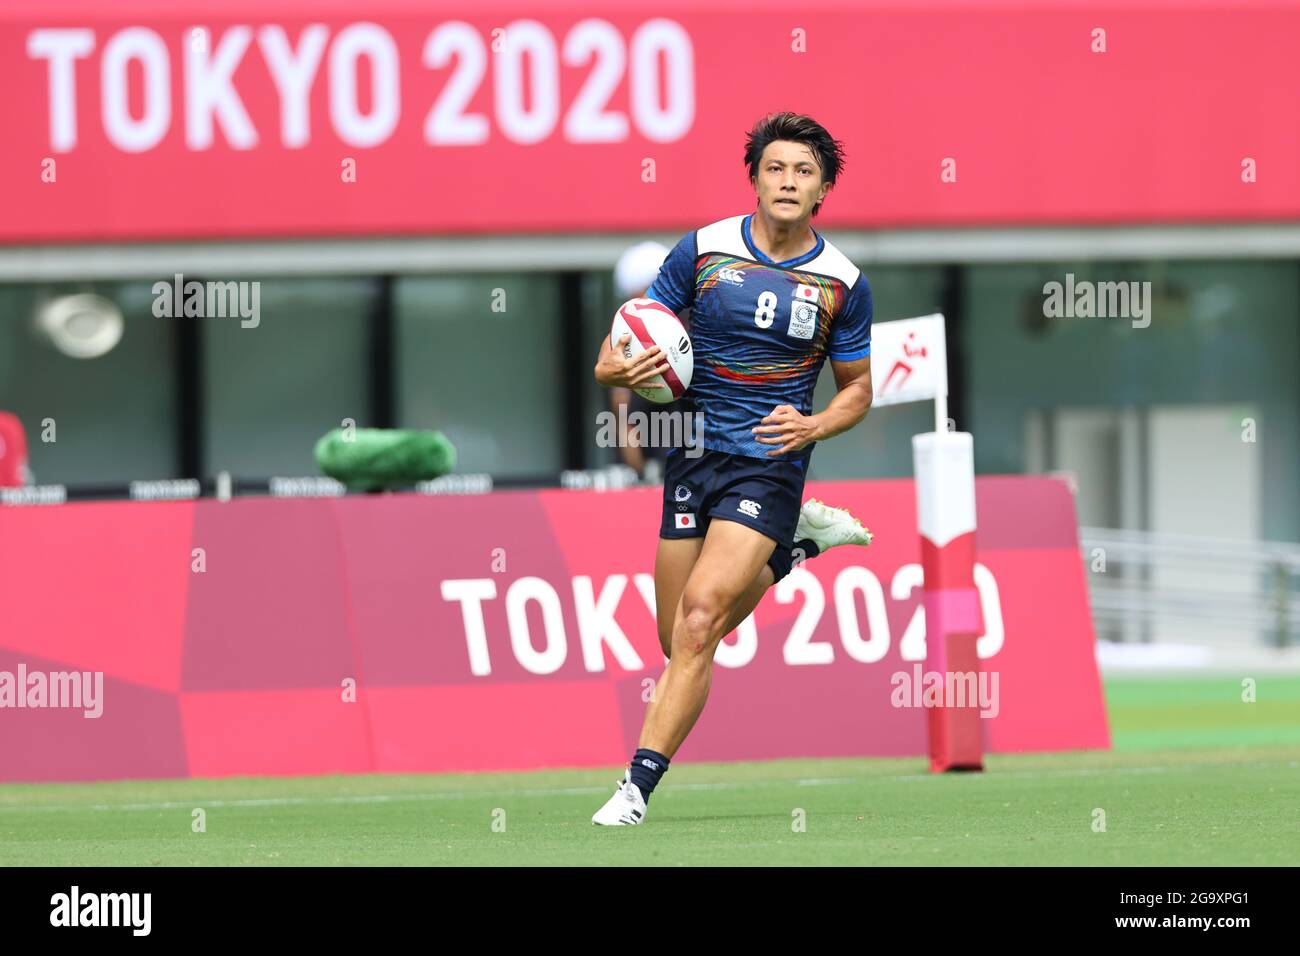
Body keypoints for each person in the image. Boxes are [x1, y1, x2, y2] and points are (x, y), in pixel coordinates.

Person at [590, 111, 876, 825]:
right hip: (691, 451)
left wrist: (814, 424)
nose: (788, 181)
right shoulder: (703, 249)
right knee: (677, 640)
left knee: (699, 622)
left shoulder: (842, 281)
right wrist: (609, 365)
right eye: (775, 168)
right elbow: (631, 332)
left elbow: (858, 389)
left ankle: (634, 789)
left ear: (823, 191)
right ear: (754, 178)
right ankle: (794, 551)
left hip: (769, 463)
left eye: (804, 172)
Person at [608, 240, 687, 482]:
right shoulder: (630, 339)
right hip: (661, 471)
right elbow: (625, 417)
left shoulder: (684, 331)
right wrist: (641, 473)